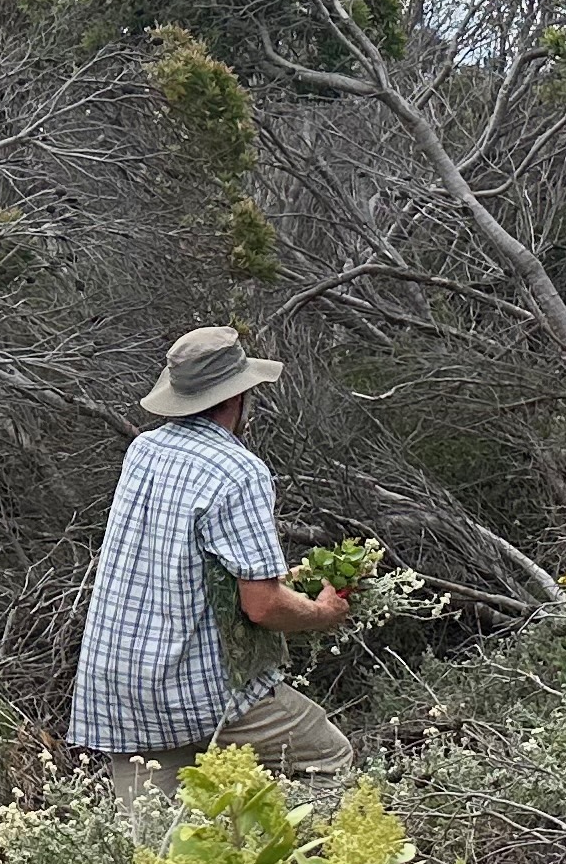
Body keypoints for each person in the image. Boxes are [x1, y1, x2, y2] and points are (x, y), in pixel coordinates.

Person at [66, 324, 355, 817]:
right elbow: (261, 606)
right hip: (192, 687)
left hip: (114, 684)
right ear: (237, 395)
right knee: (328, 759)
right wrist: (323, 611)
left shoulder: (144, 449)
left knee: (156, 852)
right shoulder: (238, 471)